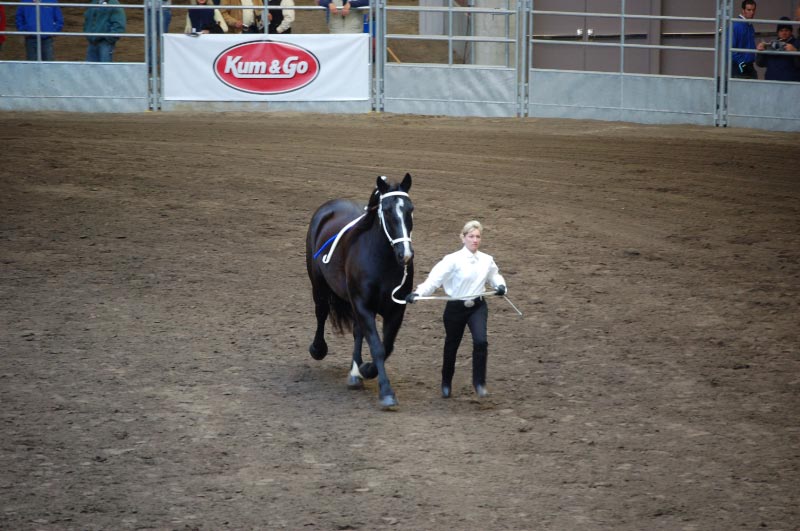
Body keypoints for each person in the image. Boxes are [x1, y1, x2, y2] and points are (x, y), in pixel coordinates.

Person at [406, 220, 507, 399]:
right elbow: (434, 280)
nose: (475, 240)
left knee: (481, 341)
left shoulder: (486, 260)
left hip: (477, 306)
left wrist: (501, 286)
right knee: (452, 344)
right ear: (463, 237)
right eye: (471, 236)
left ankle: (479, 382)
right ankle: (446, 382)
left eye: (478, 237)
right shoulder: (451, 260)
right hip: (455, 308)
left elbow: (495, 276)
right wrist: (418, 293)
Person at [756, 17, 800, 82]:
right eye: (781, 30)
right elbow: (761, 64)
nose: (784, 33)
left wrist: (795, 52)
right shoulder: (772, 44)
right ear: (778, 32)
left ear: (791, 31)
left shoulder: (797, 43)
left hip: (790, 84)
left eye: (786, 30)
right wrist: (760, 52)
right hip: (771, 83)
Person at [731, 0, 758, 79]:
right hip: (739, 66)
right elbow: (730, 48)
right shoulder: (736, 26)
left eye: (753, 10)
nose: (752, 12)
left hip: (747, 64)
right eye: (749, 10)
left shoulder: (749, 25)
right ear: (743, 10)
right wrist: (741, 63)